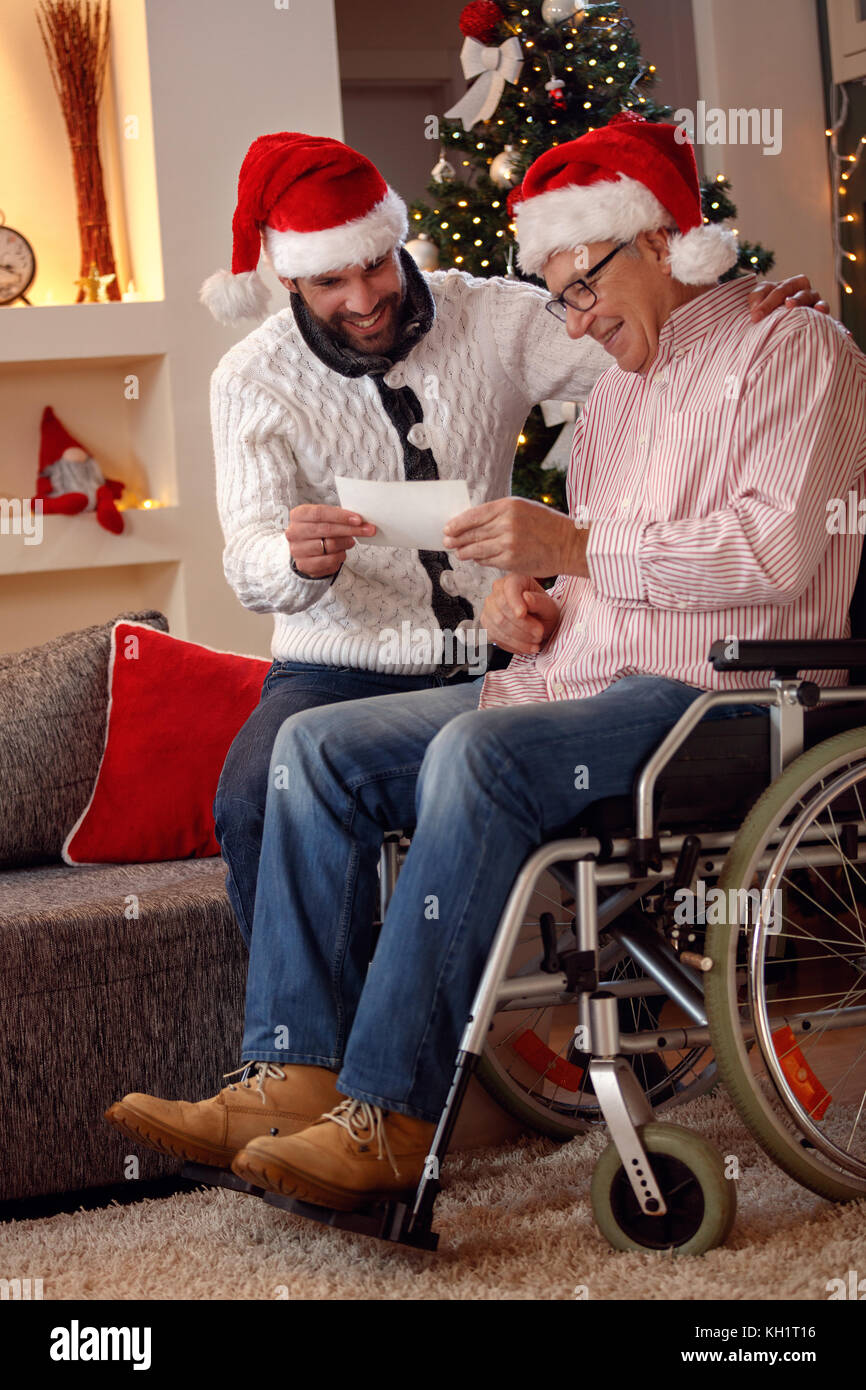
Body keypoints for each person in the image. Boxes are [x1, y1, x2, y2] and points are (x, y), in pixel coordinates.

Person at [106, 119, 848, 1199]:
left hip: (717, 698)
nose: (575, 321)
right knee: (302, 754)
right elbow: (594, 570)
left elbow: (772, 553)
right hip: (559, 677)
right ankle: (296, 1075)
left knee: (476, 753)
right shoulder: (617, 386)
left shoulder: (791, 351)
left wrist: (573, 549)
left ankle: (393, 1116)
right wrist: (533, 600)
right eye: (560, 297)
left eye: (582, 286)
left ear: (655, 243)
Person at [201, 130, 821, 951]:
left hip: (502, 647)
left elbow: (649, 348)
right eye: (330, 281)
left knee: (550, 758)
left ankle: (627, 1009)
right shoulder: (249, 379)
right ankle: (308, 1050)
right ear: (287, 278)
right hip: (336, 665)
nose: (362, 297)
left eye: (376, 266)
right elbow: (245, 557)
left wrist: (746, 311)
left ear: (396, 241)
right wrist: (287, 557)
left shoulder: (490, 316)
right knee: (254, 790)